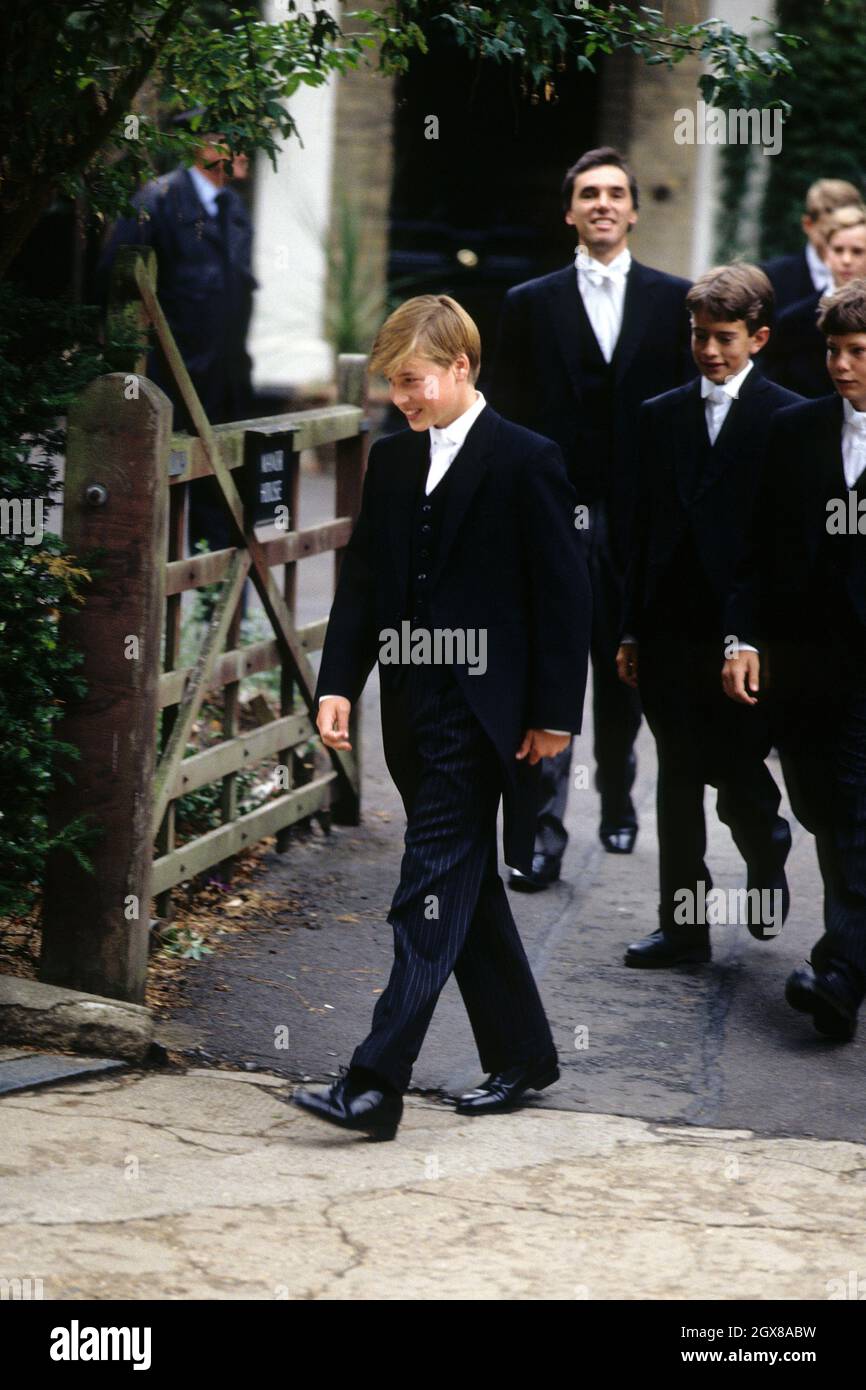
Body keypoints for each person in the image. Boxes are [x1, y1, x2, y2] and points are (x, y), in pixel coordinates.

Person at [292, 295, 591, 1139]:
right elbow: (365, 586)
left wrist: (555, 716)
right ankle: (526, 1054)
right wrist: (339, 681)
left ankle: (373, 1083)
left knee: (423, 890)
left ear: (462, 369)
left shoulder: (528, 460)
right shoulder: (391, 463)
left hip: (484, 715)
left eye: (413, 381)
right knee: (460, 887)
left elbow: (567, 599)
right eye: (393, 384)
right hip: (411, 712)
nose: (403, 398)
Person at [490, 146, 693, 889]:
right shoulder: (529, 303)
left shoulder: (676, 303)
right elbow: (504, 417)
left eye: (615, 193)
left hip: (639, 517)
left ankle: (615, 791)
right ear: (569, 212)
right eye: (588, 194)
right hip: (553, 509)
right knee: (551, 661)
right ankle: (543, 830)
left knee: (622, 661)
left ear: (633, 211)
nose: (602, 204)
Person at [616, 265, 800, 968]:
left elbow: (789, 541)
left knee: (735, 760)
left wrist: (755, 633)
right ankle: (683, 924)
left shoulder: (787, 417)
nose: (710, 351)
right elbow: (640, 529)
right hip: (668, 626)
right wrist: (630, 628)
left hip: (745, 630)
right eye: (699, 337)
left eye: (725, 338)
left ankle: (765, 840)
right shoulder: (658, 415)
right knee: (676, 773)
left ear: (758, 337)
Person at [724, 279, 866, 1042]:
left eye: (857, 353)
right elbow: (753, 548)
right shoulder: (796, 430)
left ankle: (840, 973)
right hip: (801, 665)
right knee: (819, 806)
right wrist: (740, 639)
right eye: (834, 352)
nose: (841, 366)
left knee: (853, 817)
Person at [98, 118, 257, 552]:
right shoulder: (159, 200)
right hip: (167, 387)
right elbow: (115, 284)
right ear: (201, 146)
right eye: (234, 141)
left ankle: (216, 615)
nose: (245, 153)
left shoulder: (234, 210)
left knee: (223, 513)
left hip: (223, 391)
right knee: (157, 518)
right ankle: (161, 620)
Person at [764, 204, 866, 398]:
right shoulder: (794, 319)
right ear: (825, 254)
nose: (846, 260)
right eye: (838, 250)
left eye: (857, 251)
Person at [761, 177, 862, 315]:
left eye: (857, 250)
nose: (846, 259)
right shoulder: (771, 278)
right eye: (827, 234)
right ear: (808, 224)